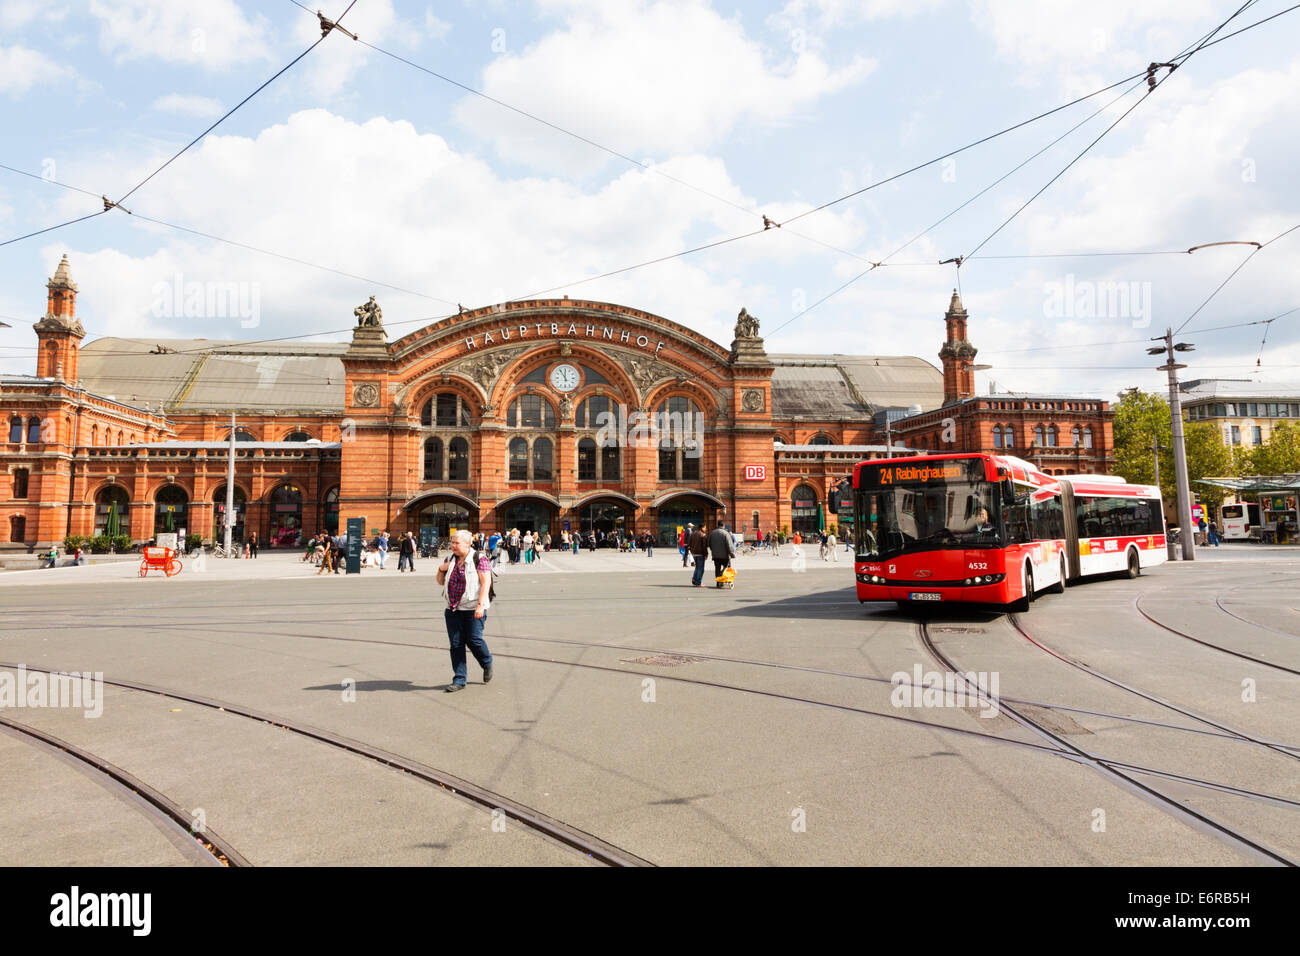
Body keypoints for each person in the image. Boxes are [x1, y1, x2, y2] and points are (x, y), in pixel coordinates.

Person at [436, 529, 493, 693]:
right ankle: (459, 679)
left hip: (473, 607)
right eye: (452, 542)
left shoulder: (479, 559)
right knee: (456, 644)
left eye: (456, 543)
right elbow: (440, 582)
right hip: (453, 608)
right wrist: (441, 568)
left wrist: (480, 605)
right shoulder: (450, 559)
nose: (452, 546)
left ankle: (487, 662)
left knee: (474, 640)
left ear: (467, 544)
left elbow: (485, 583)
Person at [708, 520, 736, 587]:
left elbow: (709, 544)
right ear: (723, 525)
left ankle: (718, 582)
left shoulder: (712, 533)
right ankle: (723, 579)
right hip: (724, 556)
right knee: (726, 568)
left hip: (715, 555)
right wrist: (732, 553)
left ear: (718, 525)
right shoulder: (726, 533)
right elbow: (729, 545)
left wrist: (713, 550)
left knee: (717, 569)